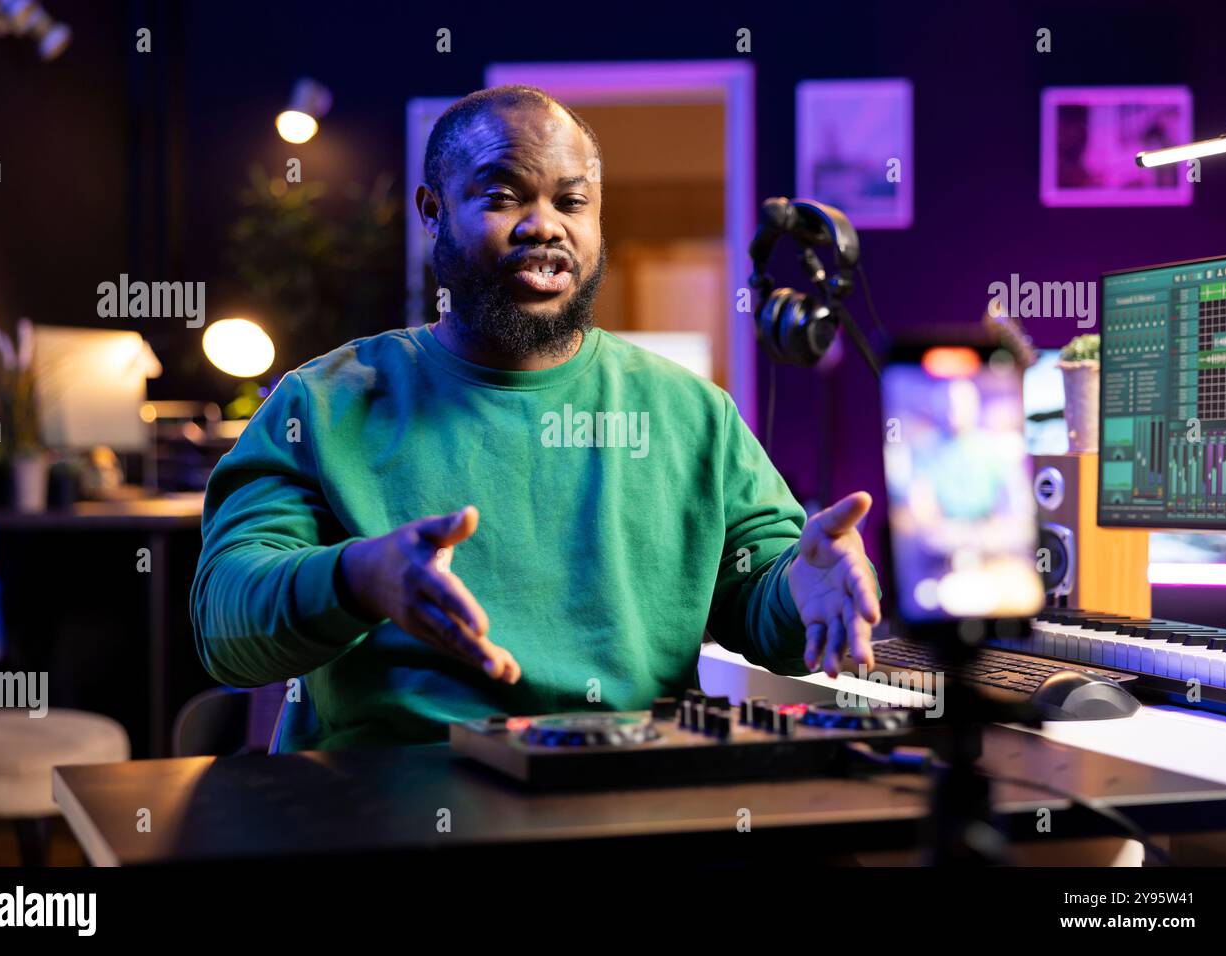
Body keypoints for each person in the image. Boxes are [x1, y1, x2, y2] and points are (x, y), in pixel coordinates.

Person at [189, 85, 880, 751]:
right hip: (389, 805)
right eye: (501, 196)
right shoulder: (322, 404)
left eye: (572, 201)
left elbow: (761, 601)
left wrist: (802, 589)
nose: (544, 224)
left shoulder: (692, 414)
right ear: (432, 212)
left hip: (626, 799)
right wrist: (358, 577)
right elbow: (225, 626)